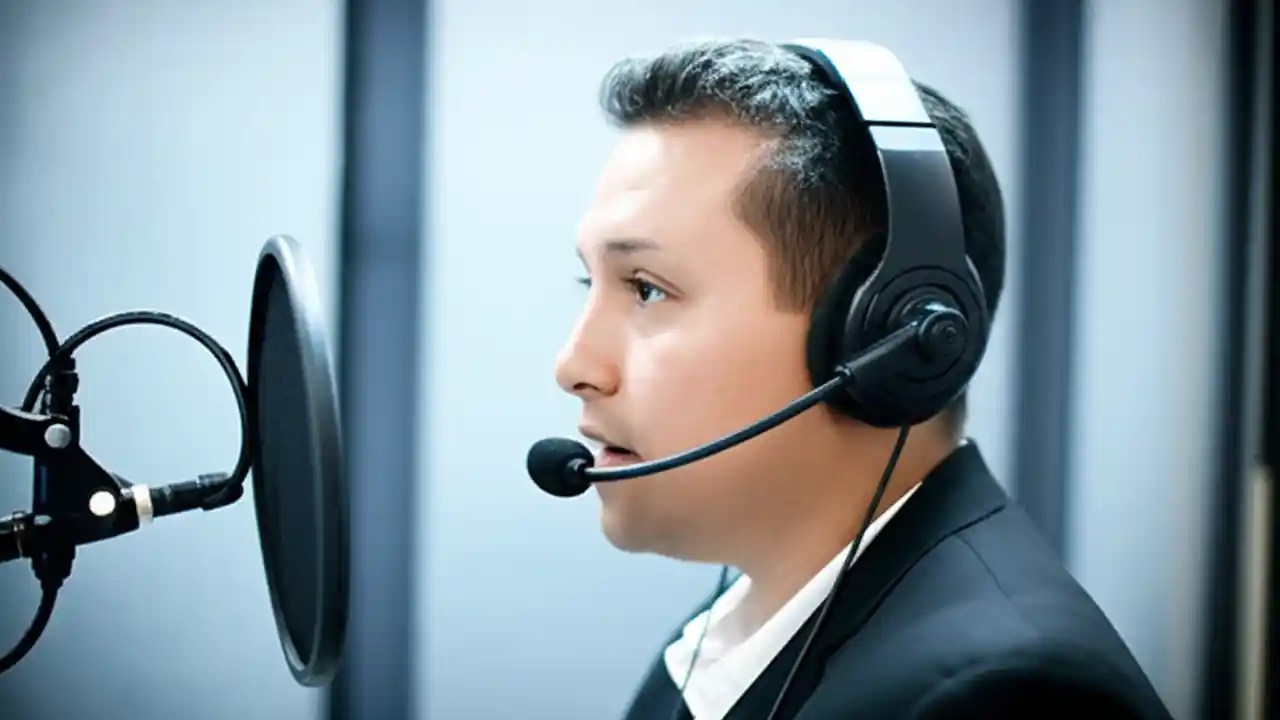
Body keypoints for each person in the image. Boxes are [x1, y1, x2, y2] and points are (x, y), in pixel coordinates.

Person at [553, 37, 1173, 719]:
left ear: (890, 336)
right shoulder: (749, 619)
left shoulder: (1005, 694)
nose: (576, 367)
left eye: (647, 289)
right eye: (592, 281)